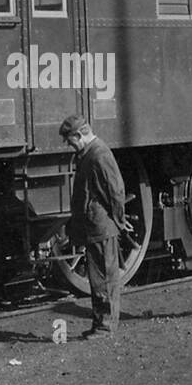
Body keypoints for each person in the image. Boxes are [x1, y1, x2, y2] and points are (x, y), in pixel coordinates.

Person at [60, 114, 129, 338]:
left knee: (103, 279)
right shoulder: (91, 153)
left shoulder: (99, 154)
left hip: (101, 226)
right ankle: (101, 323)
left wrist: (119, 220)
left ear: (79, 135)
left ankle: (106, 326)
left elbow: (116, 191)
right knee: (98, 277)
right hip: (95, 225)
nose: (70, 146)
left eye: (70, 140)